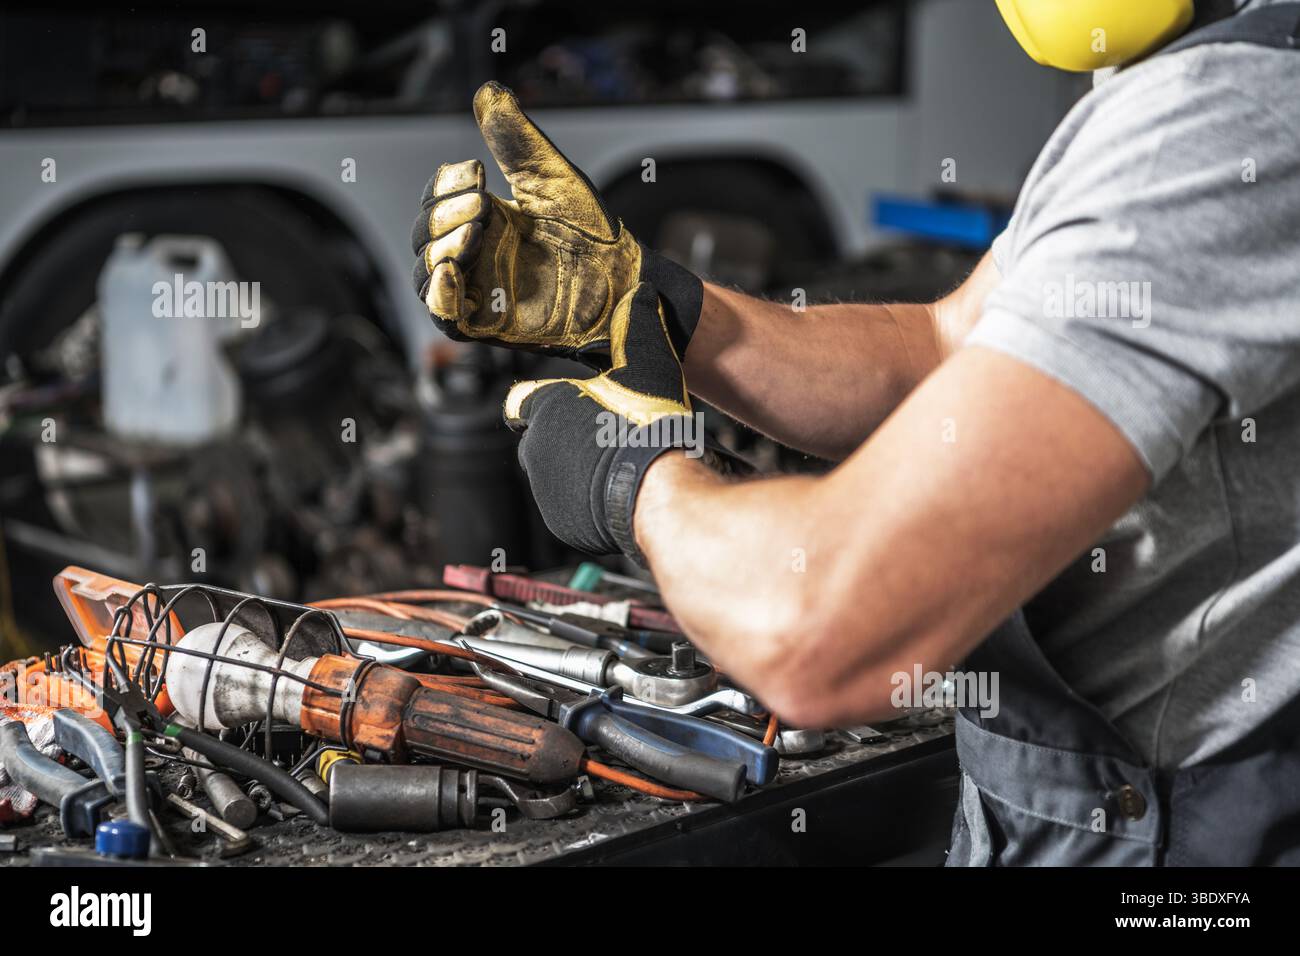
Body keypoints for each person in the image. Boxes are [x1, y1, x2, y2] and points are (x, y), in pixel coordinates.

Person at [410, 0, 1300, 865]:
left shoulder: (1227, 119)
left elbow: (818, 636)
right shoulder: (1197, 84)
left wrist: (632, 481)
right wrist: (643, 303)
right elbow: (951, 345)